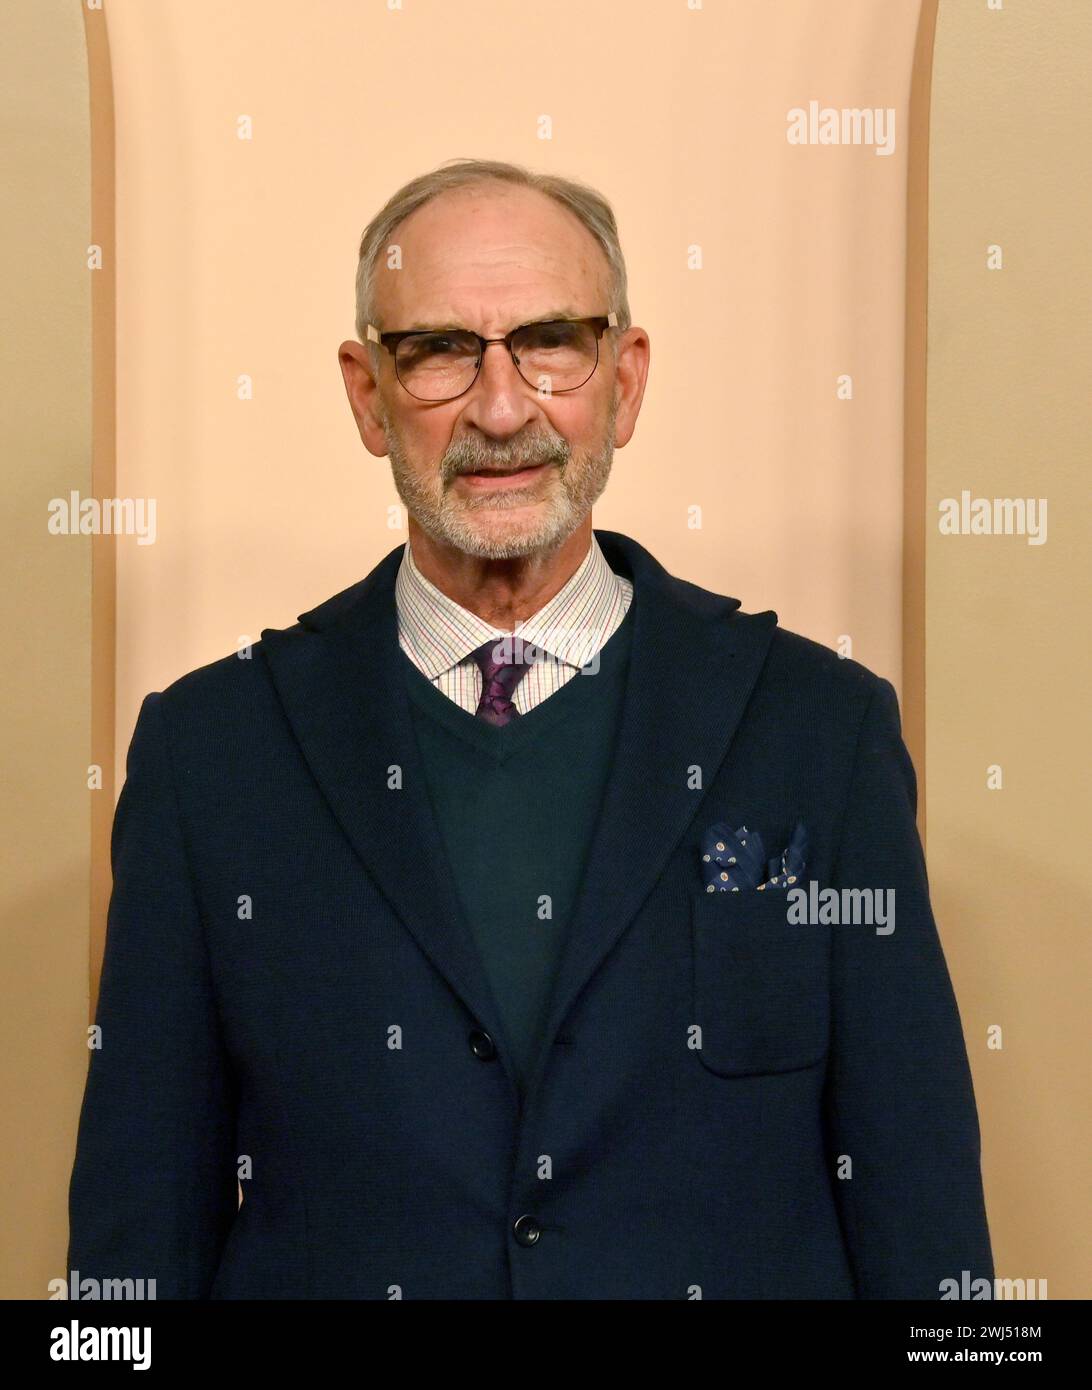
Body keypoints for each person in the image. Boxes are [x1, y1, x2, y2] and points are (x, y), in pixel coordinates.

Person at [68, 157, 992, 1299]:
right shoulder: (209, 754)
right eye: (441, 352)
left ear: (626, 379)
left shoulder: (821, 732)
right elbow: (132, 1253)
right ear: (367, 394)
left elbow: (925, 1222)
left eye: (551, 342)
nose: (502, 410)